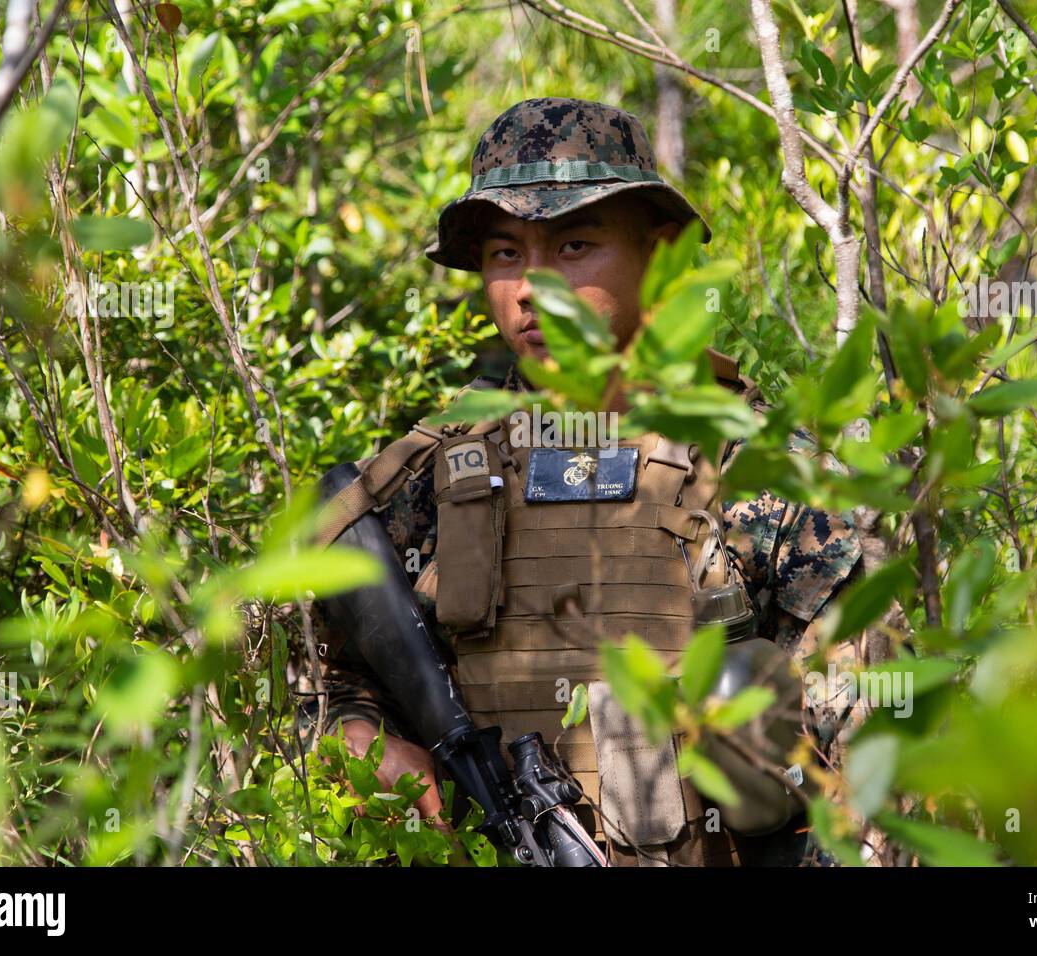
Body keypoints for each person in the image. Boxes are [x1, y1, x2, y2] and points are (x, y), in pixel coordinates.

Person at [310, 97, 863, 866]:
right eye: (505, 254)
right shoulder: (432, 477)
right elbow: (331, 674)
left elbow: (877, 754)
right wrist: (358, 734)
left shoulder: (765, 472)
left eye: (573, 244)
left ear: (663, 254)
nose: (533, 287)